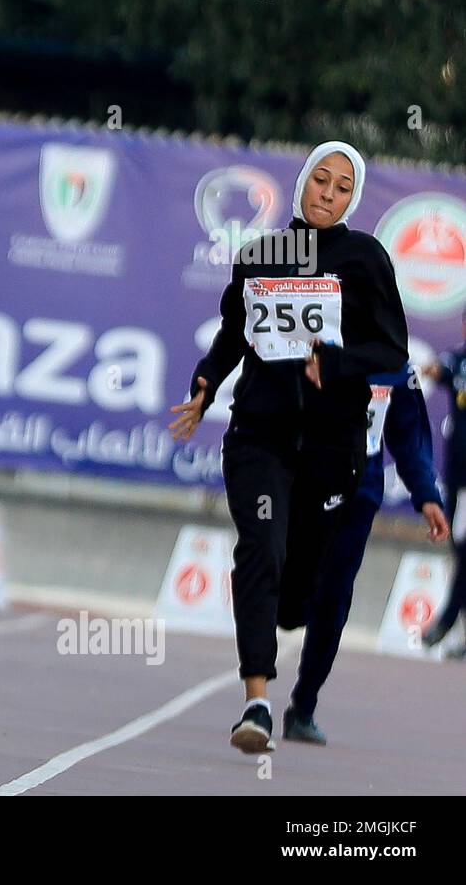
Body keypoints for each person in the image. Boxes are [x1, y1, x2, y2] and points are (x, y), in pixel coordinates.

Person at [170, 141, 410, 753]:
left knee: (299, 585)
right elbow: (232, 334)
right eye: (319, 181)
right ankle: (256, 703)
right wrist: (204, 386)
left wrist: (338, 361)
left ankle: (288, 606)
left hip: (332, 450)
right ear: (302, 182)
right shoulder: (261, 255)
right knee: (261, 549)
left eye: (340, 188)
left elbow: (391, 355)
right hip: (260, 435)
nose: (326, 195)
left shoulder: (364, 259)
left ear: (352, 199)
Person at [283, 364, 448, 744]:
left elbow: (409, 435)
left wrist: (426, 495)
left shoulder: (394, 363)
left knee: (335, 595)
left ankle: (303, 706)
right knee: (293, 601)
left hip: (361, 487)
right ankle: (290, 607)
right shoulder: (316, 342)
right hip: (307, 478)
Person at [421, 329, 466, 655]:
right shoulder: (459, 359)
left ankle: (448, 620)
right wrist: (434, 369)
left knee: (465, 551)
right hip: (457, 473)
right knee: (459, 548)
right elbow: (440, 368)